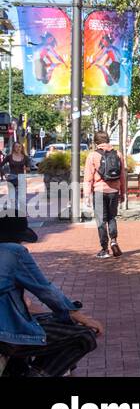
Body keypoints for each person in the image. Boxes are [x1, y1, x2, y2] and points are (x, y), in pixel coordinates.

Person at [0, 216, 104, 377]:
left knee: (57, 322)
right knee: (84, 336)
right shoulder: (13, 252)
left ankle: (27, 370)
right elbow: (44, 289)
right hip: (7, 334)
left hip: (9, 325)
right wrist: (78, 316)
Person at [83, 131, 126, 260]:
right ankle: (114, 240)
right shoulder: (118, 154)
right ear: (107, 140)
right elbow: (123, 175)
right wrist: (122, 192)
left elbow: (88, 178)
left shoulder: (93, 156)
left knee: (101, 221)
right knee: (112, 217)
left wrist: (86, 195)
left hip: (100, 191)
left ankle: (104, 249)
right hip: (114, 191)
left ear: (96, 142)